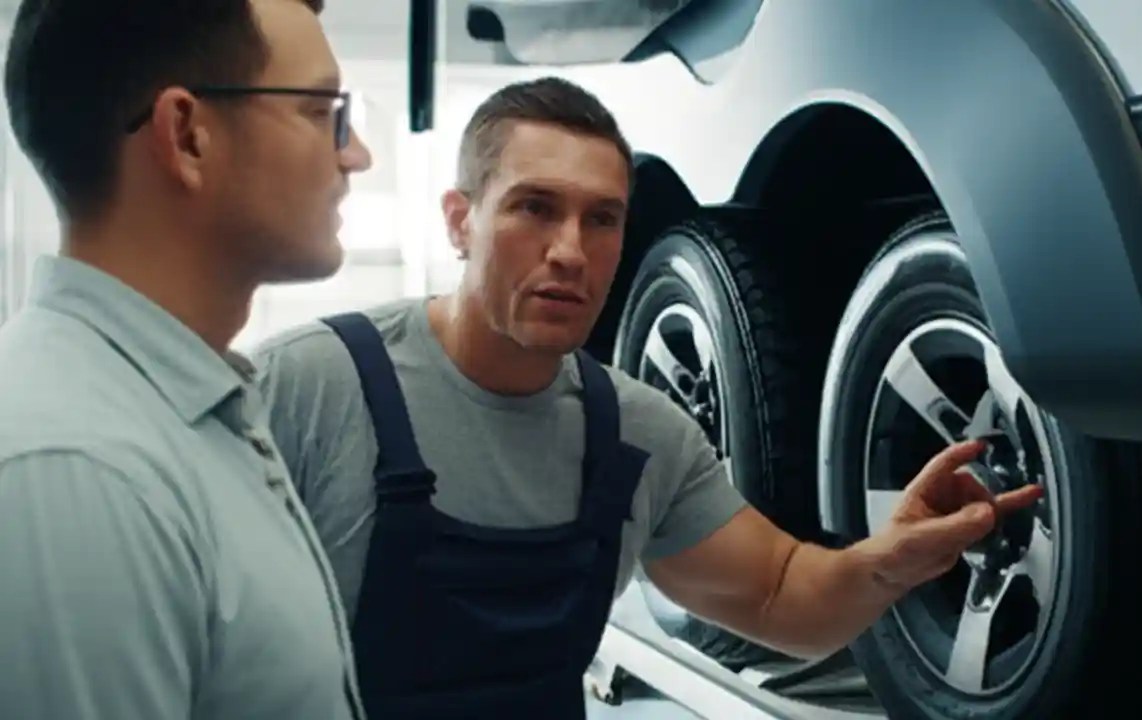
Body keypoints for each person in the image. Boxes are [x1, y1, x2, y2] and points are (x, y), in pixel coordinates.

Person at [251, 76, 1042, 719]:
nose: (571, 251)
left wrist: (891, 560)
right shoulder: (308, 389)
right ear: (461, 222)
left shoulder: (638, 435)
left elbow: (780, 599)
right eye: (534, 208)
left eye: (602, 219)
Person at [0, 1, 373, 719]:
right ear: (187, 136)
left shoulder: (179, 411)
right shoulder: (79, 470)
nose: (356, 154)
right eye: (321, 111)